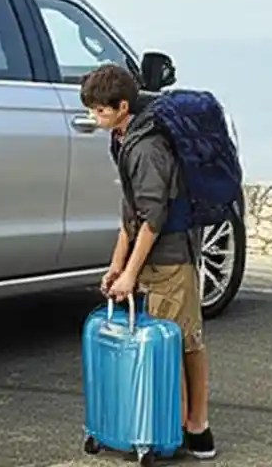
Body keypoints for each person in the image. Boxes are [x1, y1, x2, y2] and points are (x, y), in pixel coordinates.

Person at [81, 63, 216, 460]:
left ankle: (197, 427)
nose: (94, 117)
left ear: (123, 106)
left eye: (100, 111)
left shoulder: (147, 147)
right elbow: (131, 213)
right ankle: (168, 424)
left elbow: (153, 217)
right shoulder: (123, 139)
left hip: (172, 258)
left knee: (184, 340)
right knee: (171, 341)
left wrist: (130, 274)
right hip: (152, 256)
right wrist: (116, 267)